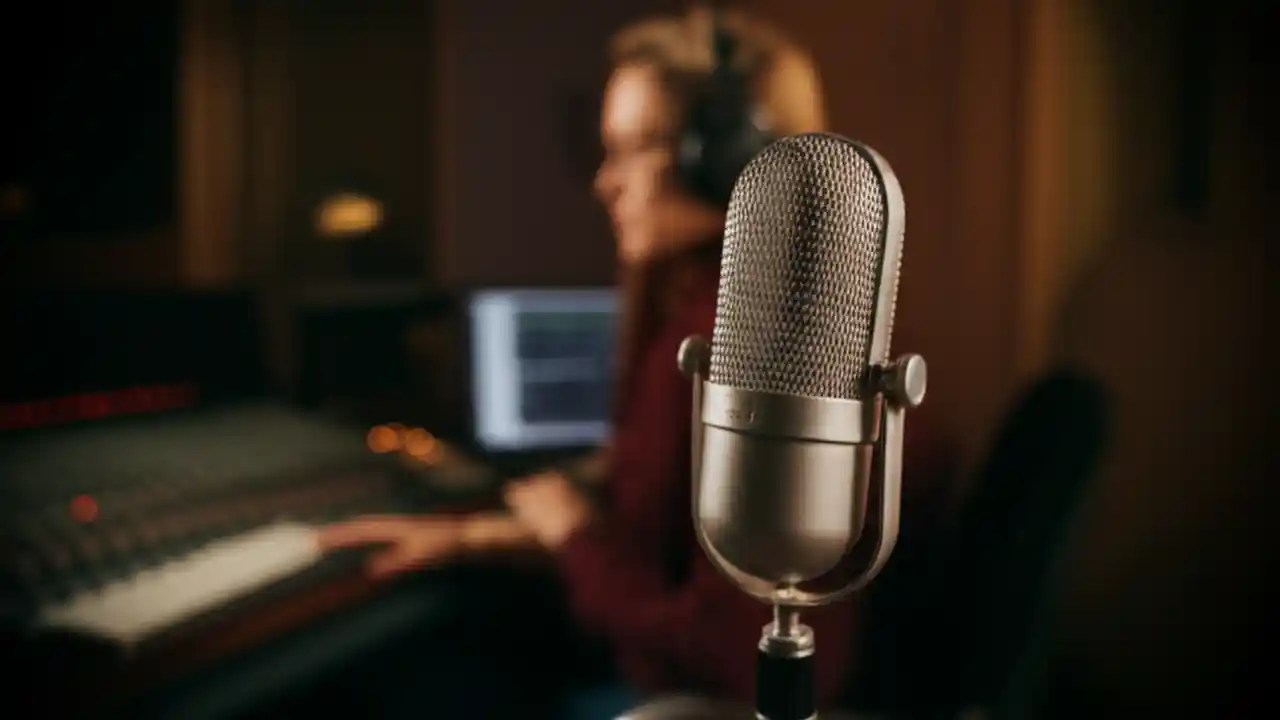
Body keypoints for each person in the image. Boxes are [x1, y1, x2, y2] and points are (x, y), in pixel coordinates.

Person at [319, 7, 955, 717]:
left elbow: (730, 658)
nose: (605, 182)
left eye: (633, 147)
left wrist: (573, 531)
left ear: (725, 154)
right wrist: (476, 537)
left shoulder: (760, 349)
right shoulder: (700, 313)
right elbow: (658, 549)